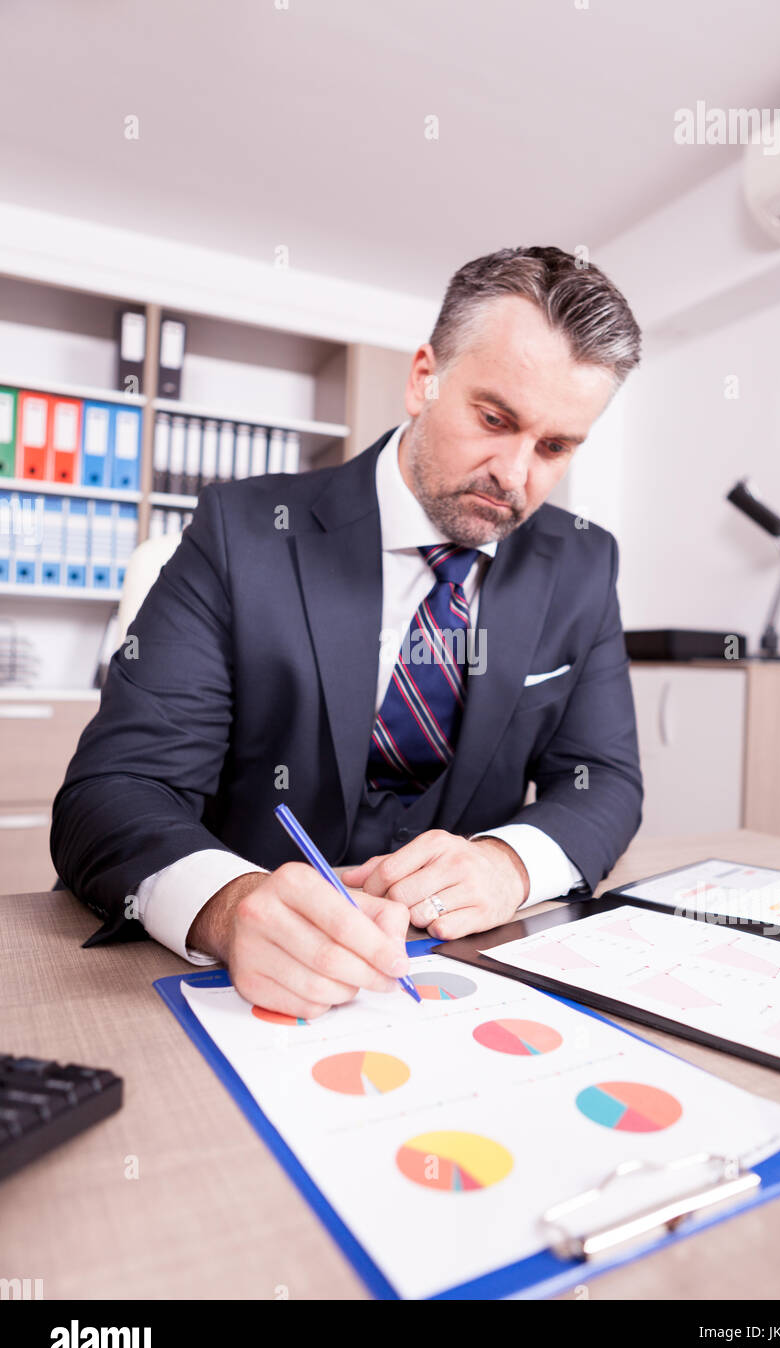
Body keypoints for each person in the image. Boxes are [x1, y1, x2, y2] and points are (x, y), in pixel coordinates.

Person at [51, 245, 643, 1021]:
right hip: (235, 987)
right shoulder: (244, 532)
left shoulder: (583, 562)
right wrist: (228, 907)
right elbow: (116, 789)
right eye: (495, 419)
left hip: (442, 983)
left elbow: (604, 779)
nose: (515, 473)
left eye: (556, 446)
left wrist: (509, 865)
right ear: (423, 377)